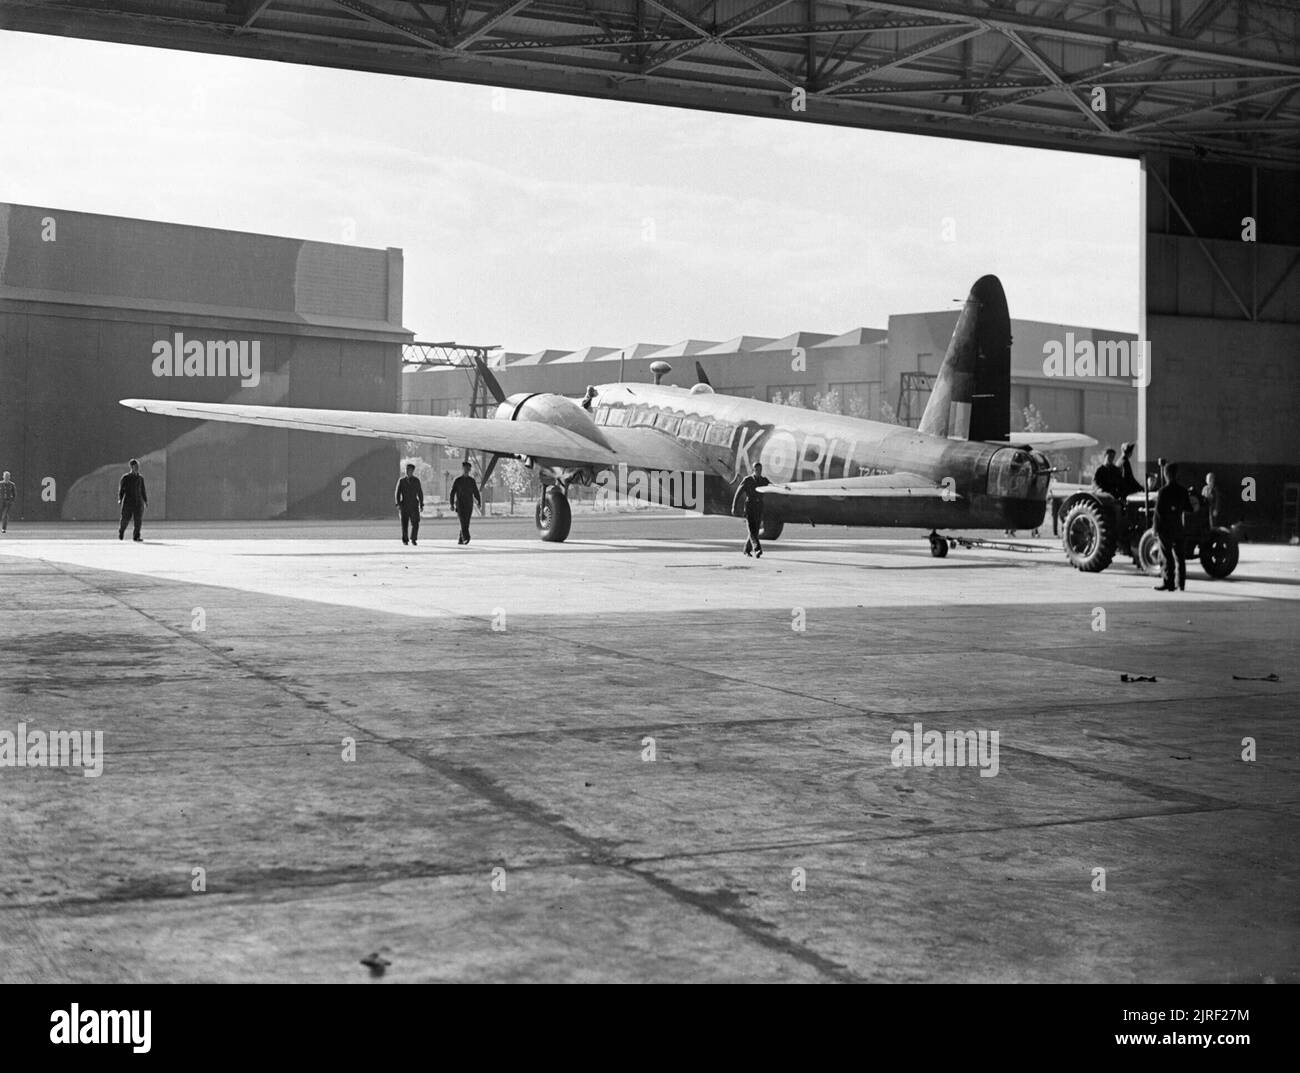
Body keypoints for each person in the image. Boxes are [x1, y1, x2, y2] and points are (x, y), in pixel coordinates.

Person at [1153, 461, 1192, 592]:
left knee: (1167, 556)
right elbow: (1189, 508)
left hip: (1165, 529)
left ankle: (1168, 583)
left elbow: (1158, 513)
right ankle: (1181, 584)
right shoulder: (1183, 491)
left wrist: (1155, 529)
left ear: (1166, 474)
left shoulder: (1163, 491)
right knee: (1180, 558)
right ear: (1176, 475)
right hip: (1178, 528)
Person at [731, 463, 771, 557]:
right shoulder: (747, 480)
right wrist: (734, 506)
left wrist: (784, 488)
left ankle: (746, 549)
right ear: (753, 470)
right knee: (752, 530)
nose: (759, 471)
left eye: (760, 469)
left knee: (755, 530)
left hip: (759, 507)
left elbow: (772, 487)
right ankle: (757, 549)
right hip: (750, 507)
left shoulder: (764, 480)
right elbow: (738, 493)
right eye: (757, 469)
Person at [450, 460, 481, 545]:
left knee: (466, 522)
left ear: (470, 470)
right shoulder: (458, 480)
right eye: (465, 468)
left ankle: (461, 539)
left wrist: (479, 502)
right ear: (462, 469)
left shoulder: (472, 481)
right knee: (463, 521)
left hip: (469, 504)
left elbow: (476, 492)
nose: (466, 470)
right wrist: (451, 504)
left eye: (468, 469)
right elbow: (452, 493)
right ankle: (467, 537)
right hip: (460, 505)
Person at [118, 459, 147, 542]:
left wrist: (145, 500)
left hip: (138, 502)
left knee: (138, 520)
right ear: (131, 467)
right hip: (128, 502)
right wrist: (120, 499)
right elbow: (121, 490)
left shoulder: (140, 478)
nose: (137, 468)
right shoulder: (126, 477)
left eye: (138, 466)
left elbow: (143, 490)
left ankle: (136, 536)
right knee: (125, 519)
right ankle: (121, 531)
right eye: (135, 466)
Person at [394, 463, 424, 545]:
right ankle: (405, 539)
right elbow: (397, 493)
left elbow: (420, 493)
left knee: (416, 522)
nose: (408, 471)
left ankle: (413, 538)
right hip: (404, 505)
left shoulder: (416, 481)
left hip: (414, 505)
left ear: (413, 471)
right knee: (404, 523)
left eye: (410, 470)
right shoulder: (402, 481)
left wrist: (421, 504)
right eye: (407, 470)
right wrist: (398, 504)